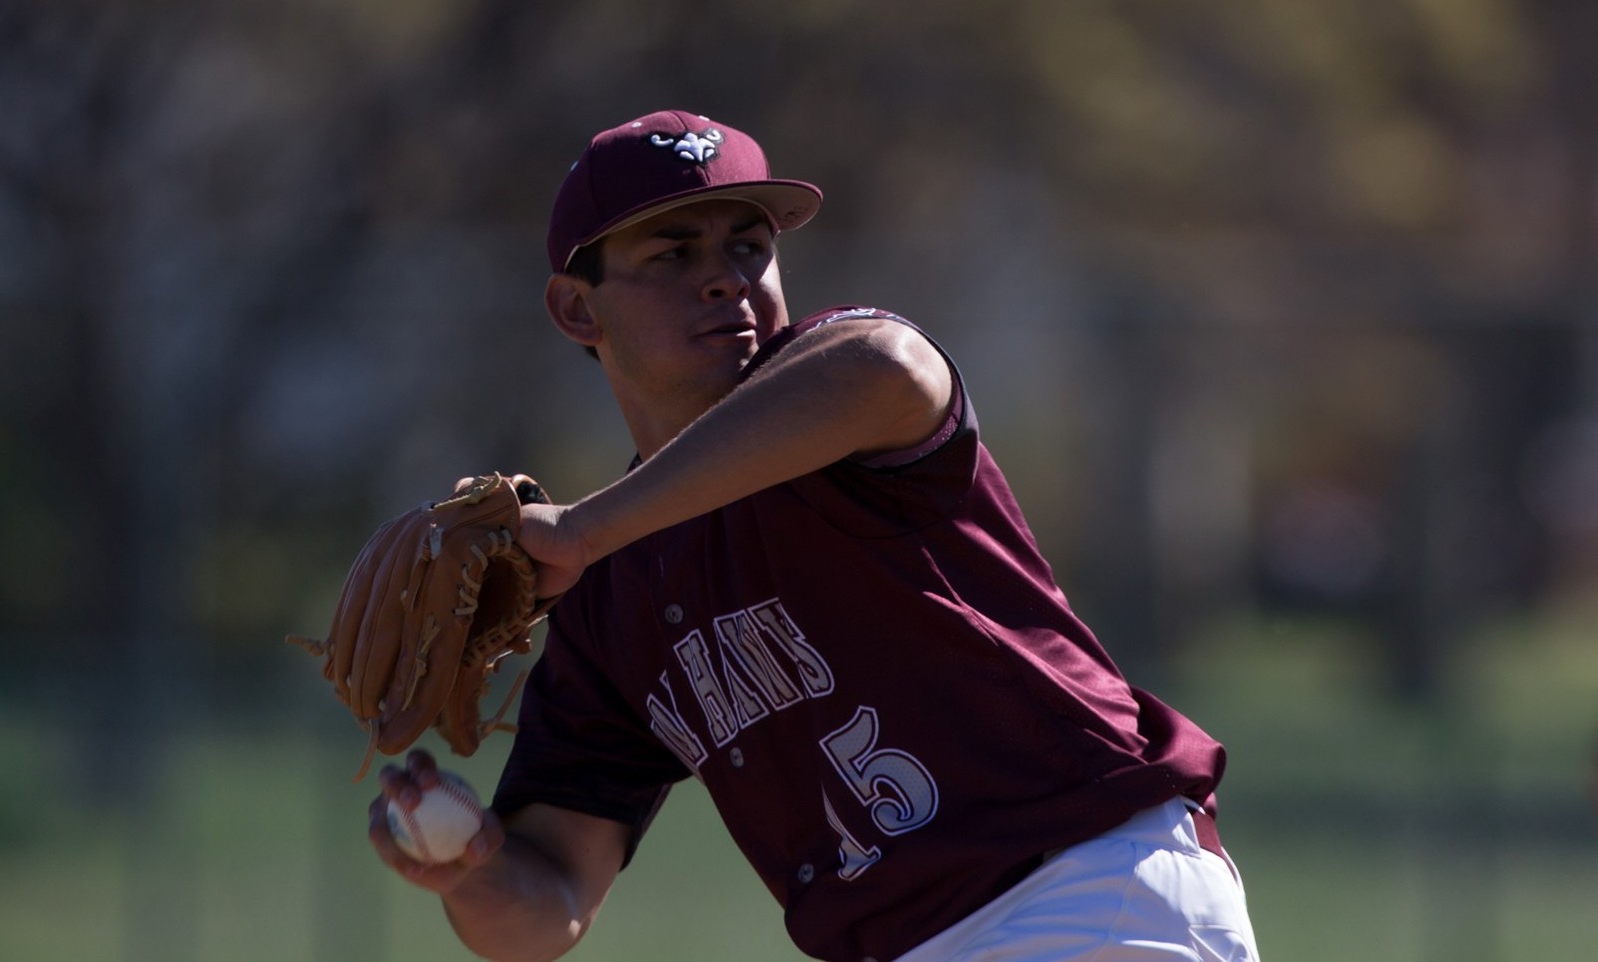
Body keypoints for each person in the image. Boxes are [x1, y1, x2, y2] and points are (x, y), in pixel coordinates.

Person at [368, 109, 1261, 962]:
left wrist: (586, 528)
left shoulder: (837, 392)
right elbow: (546, 904)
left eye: (748, 246)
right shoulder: (612, 603)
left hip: (1083, 887)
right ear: (576, 310)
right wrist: (471, 868)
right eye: (674, 252)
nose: (725, 276)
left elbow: (889, 367)